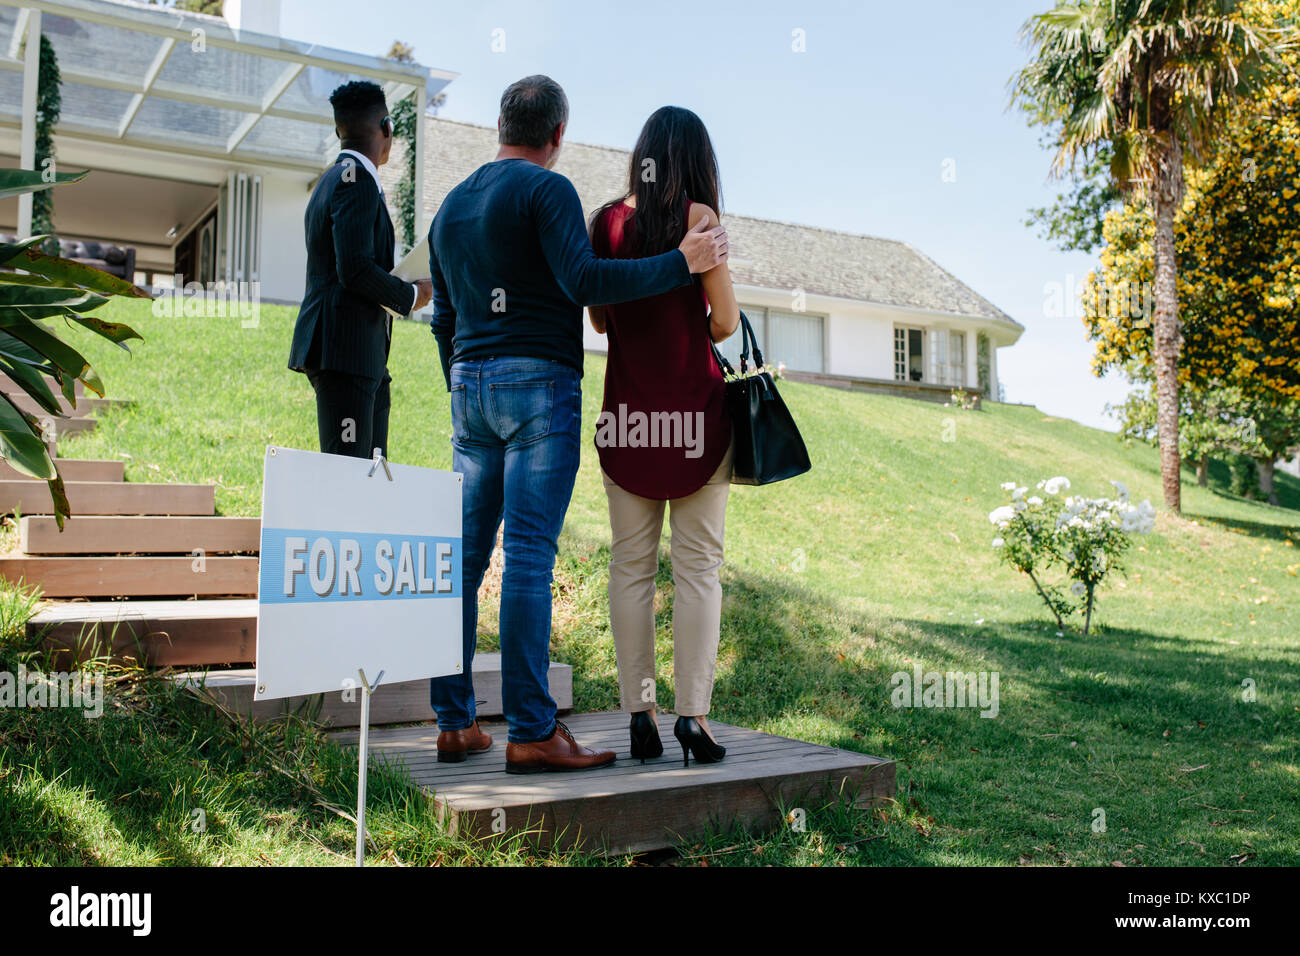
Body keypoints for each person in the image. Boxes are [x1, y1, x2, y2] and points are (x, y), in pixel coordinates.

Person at [427, 76, 730, 773]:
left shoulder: (451, 205)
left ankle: (454, 723)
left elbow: (443, 316)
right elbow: (588, 283)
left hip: (469, 389)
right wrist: (680, 262)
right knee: (529, 556)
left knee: (464, 562)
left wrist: (463, 380)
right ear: (557, 135)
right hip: (539, 386)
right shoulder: (548, 192)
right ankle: (533, 731)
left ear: (500, 125)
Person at [587, 106, 740, 767]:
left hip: (628, 419)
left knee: (631, 568)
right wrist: (690, 333)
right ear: (698, 160)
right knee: (699, 567)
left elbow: (598, 319)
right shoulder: (699, 219)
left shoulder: (604, 222)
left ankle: (639, 714)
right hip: (696, 419)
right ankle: (693, 719)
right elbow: (727, 322)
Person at [288, 80, 433, 458]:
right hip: (345, 351)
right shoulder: (357, 182)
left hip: (356, 354)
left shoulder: (333, 179)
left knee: (367, 471)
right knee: (348, 476)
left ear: (339, 131)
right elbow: (353, 268)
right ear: (386, 127)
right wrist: (413, 294)